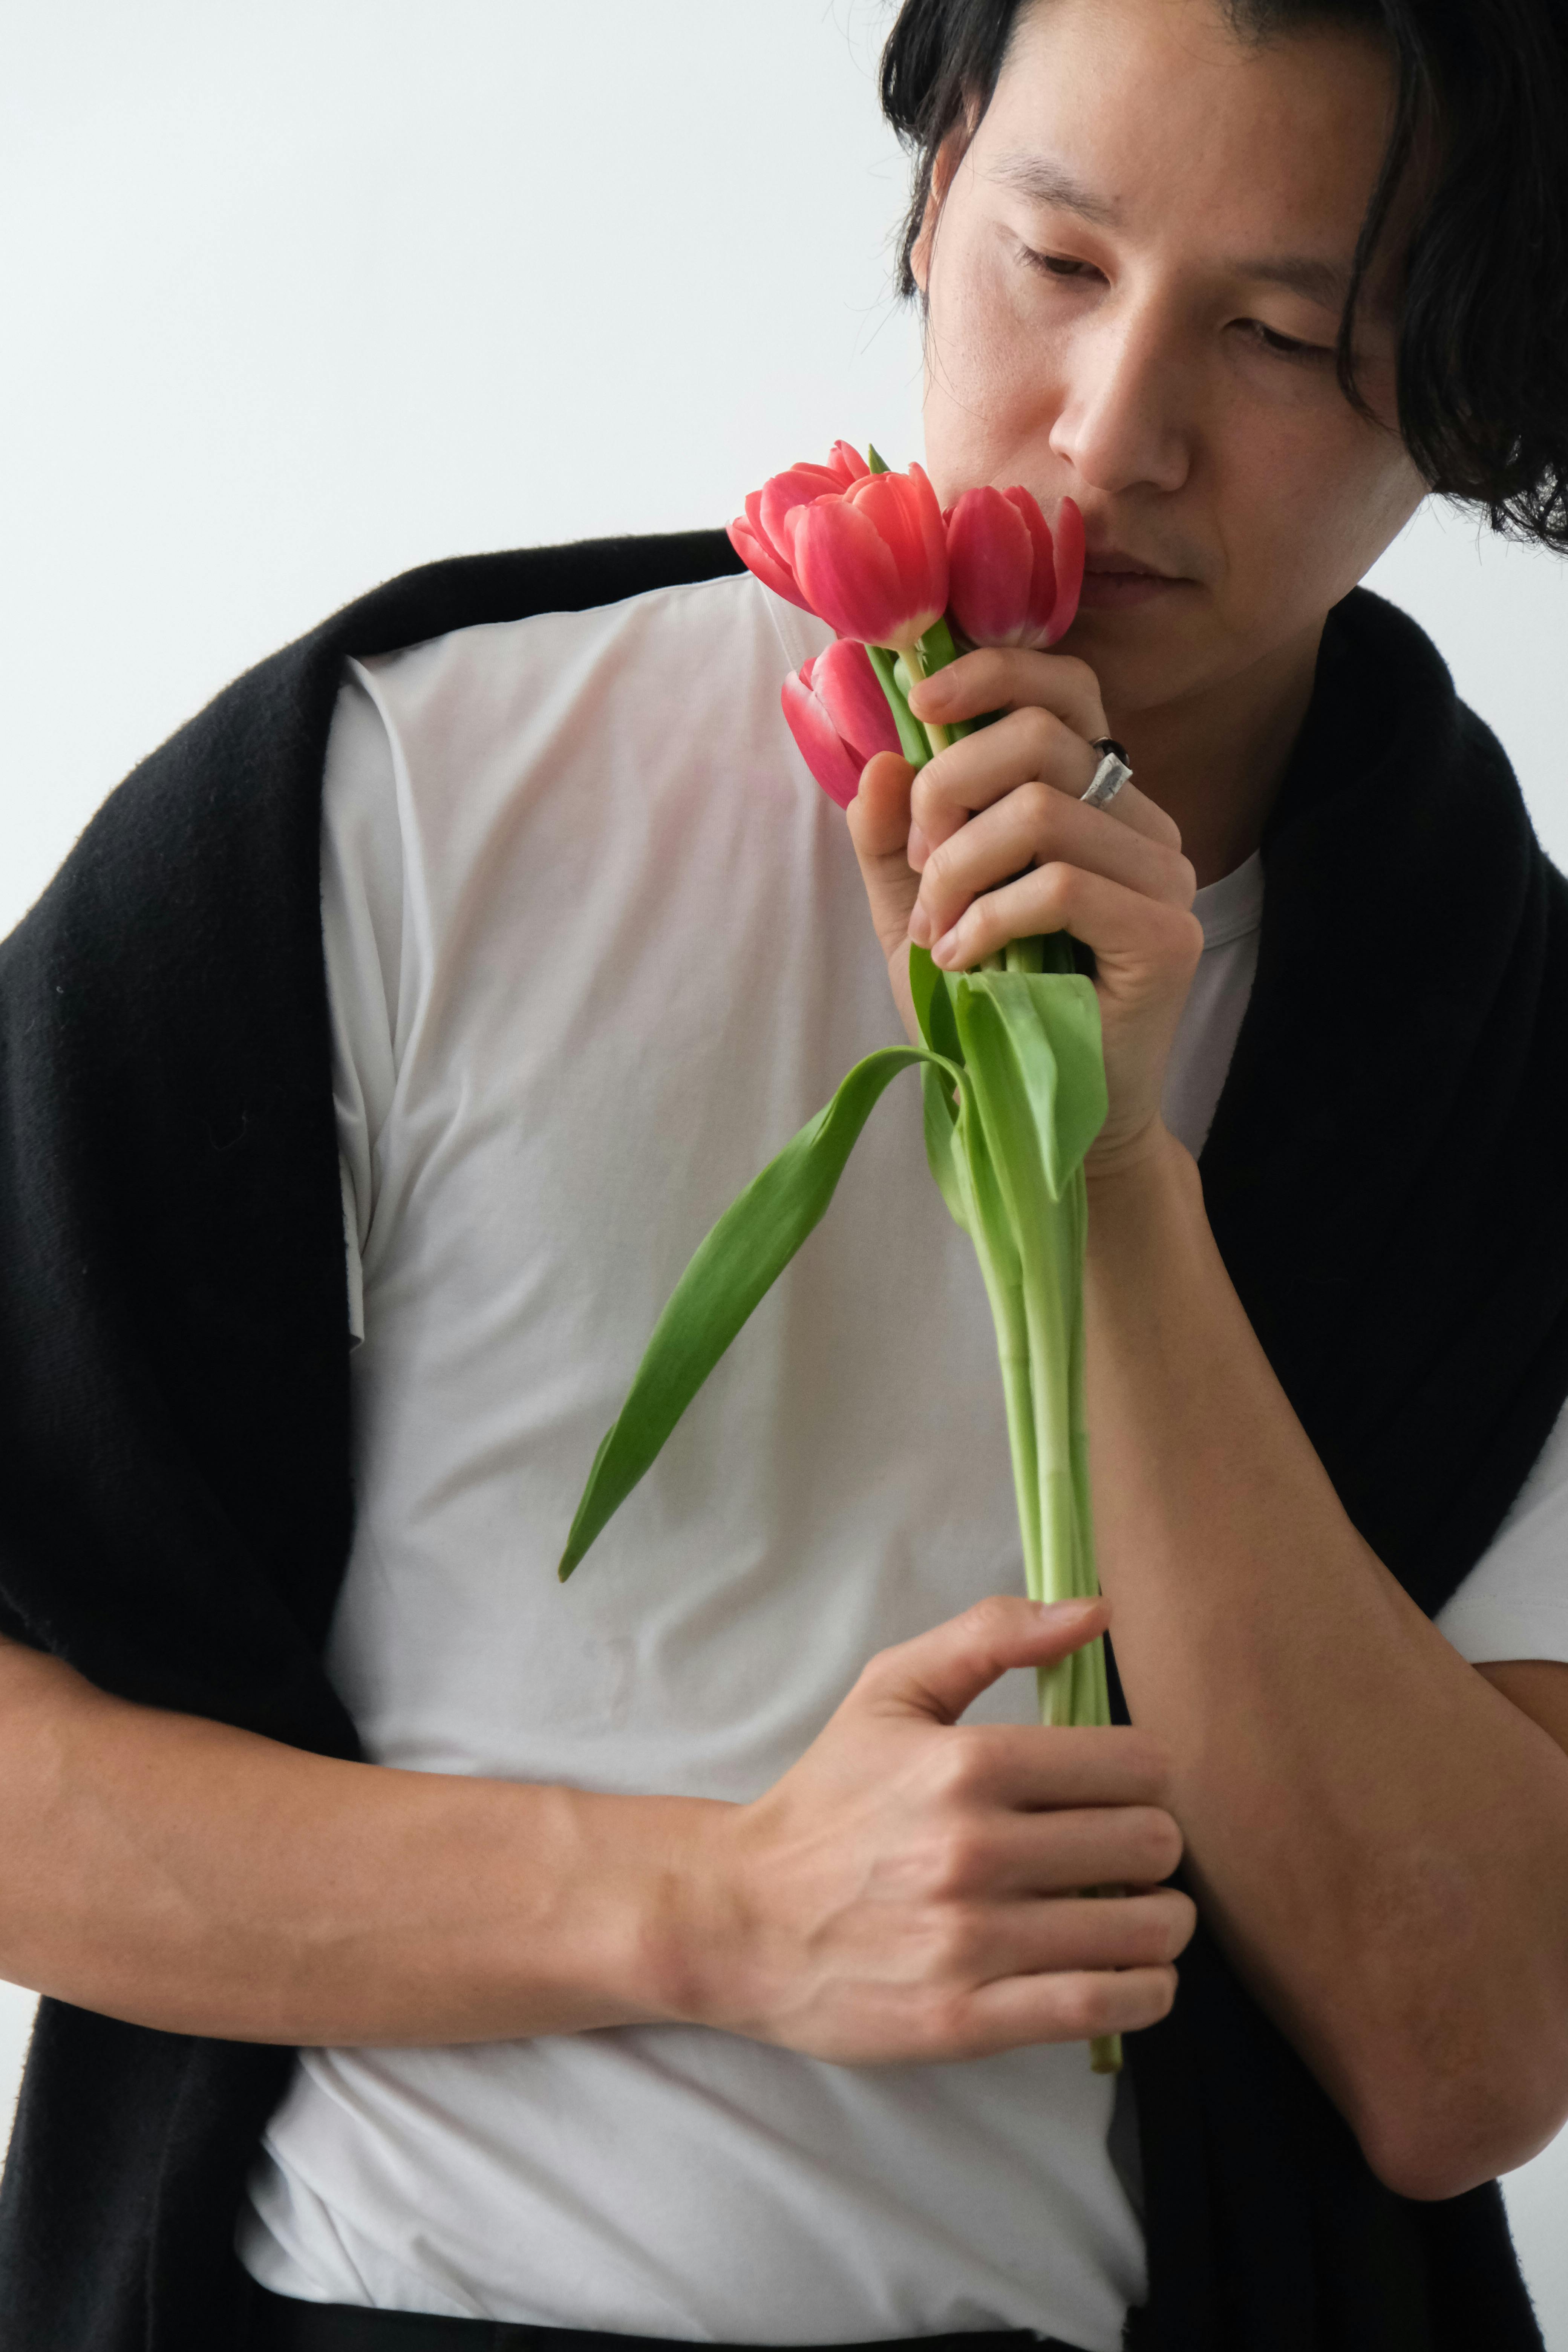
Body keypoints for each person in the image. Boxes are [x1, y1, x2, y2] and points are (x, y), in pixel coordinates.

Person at [2, 0, 1566, 2346]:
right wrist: (712, 1907)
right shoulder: (413, 786)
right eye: (1053, 259)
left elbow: (1465, 2051)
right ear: (934, 190)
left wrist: (1110, 1163)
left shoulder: (1499, 1039)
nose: (1112, 430)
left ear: (1476, 393)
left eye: (1280, 340)